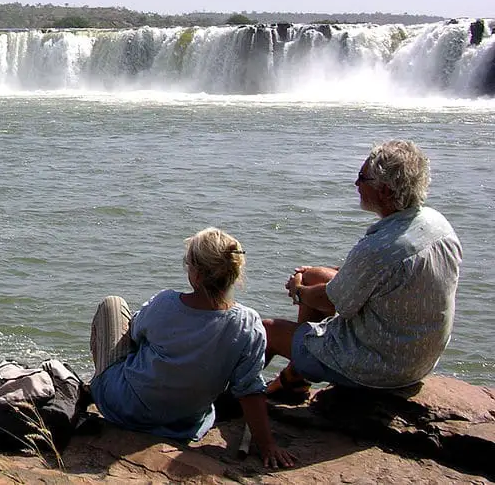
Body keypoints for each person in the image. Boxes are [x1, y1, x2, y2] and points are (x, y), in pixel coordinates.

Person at [263, 140, 462, 397]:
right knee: (316, 276)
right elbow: (380, 275)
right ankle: (295, 378)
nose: (356, 184)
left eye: (362, 178)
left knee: (267, 330)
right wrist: (314, 278)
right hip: (419, 359)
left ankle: (237, 401)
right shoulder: (437, 224)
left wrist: (299, 290)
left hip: (379, 367)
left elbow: (334, 304)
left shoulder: (378, 248)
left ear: (386, 191)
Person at [89, 228, 295, 468]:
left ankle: (99, 385)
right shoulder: (248, 323)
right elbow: (249, 389)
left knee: (112, 305)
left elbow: (133, 333)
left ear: (196, 275)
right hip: (184, 423)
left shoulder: (165, 303)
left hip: (124, 409)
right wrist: (267, 444)